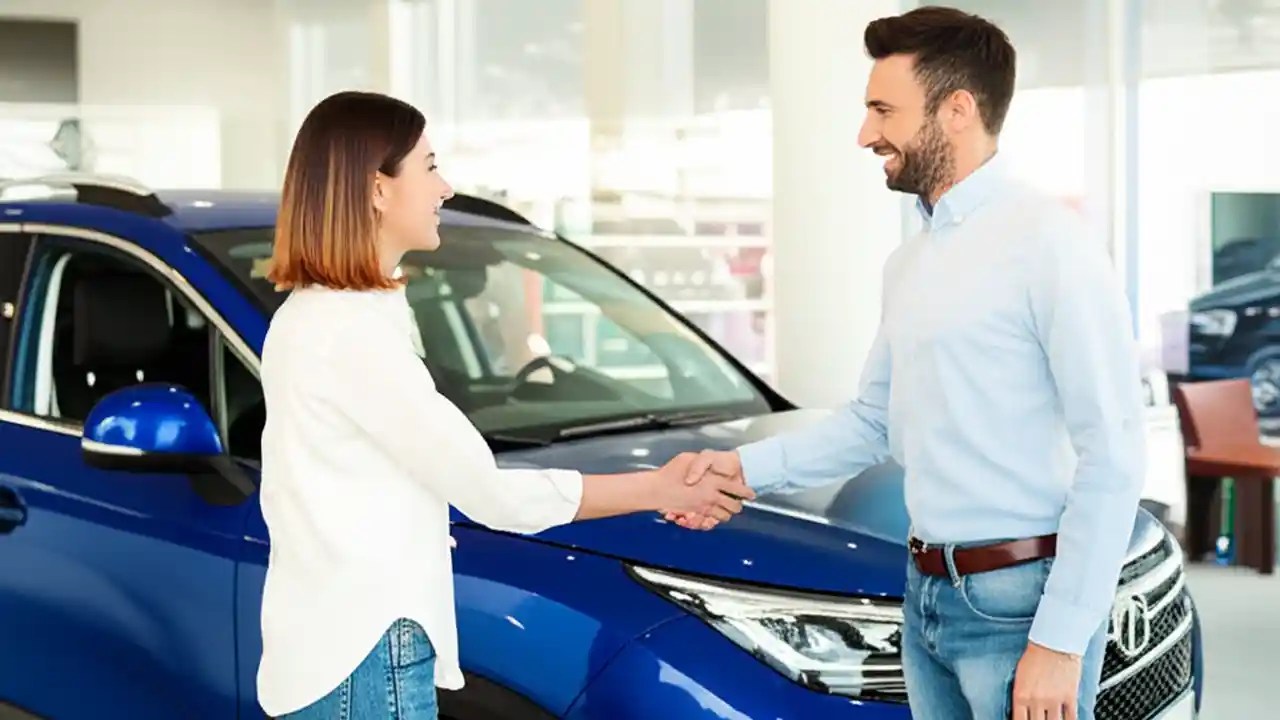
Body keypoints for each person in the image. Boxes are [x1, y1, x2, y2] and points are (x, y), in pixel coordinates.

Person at [668, 7, 1145, 720]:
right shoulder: (911, 262)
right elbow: (873, 422)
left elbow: (1114, 451)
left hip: (1019, 605)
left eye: (882, 110)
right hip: (923, 593)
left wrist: (1061, 639)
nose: (866, 135)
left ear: (956, 110)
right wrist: (742, 472)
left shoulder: (1051, 244)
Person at [256, 90, 755, 720]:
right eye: (430, 166)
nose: (446, 185)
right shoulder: (346, 331)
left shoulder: (332, 315)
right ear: (377, 189)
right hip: (364, 653)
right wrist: (659, 488)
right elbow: (490, 494)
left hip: (344, 642)